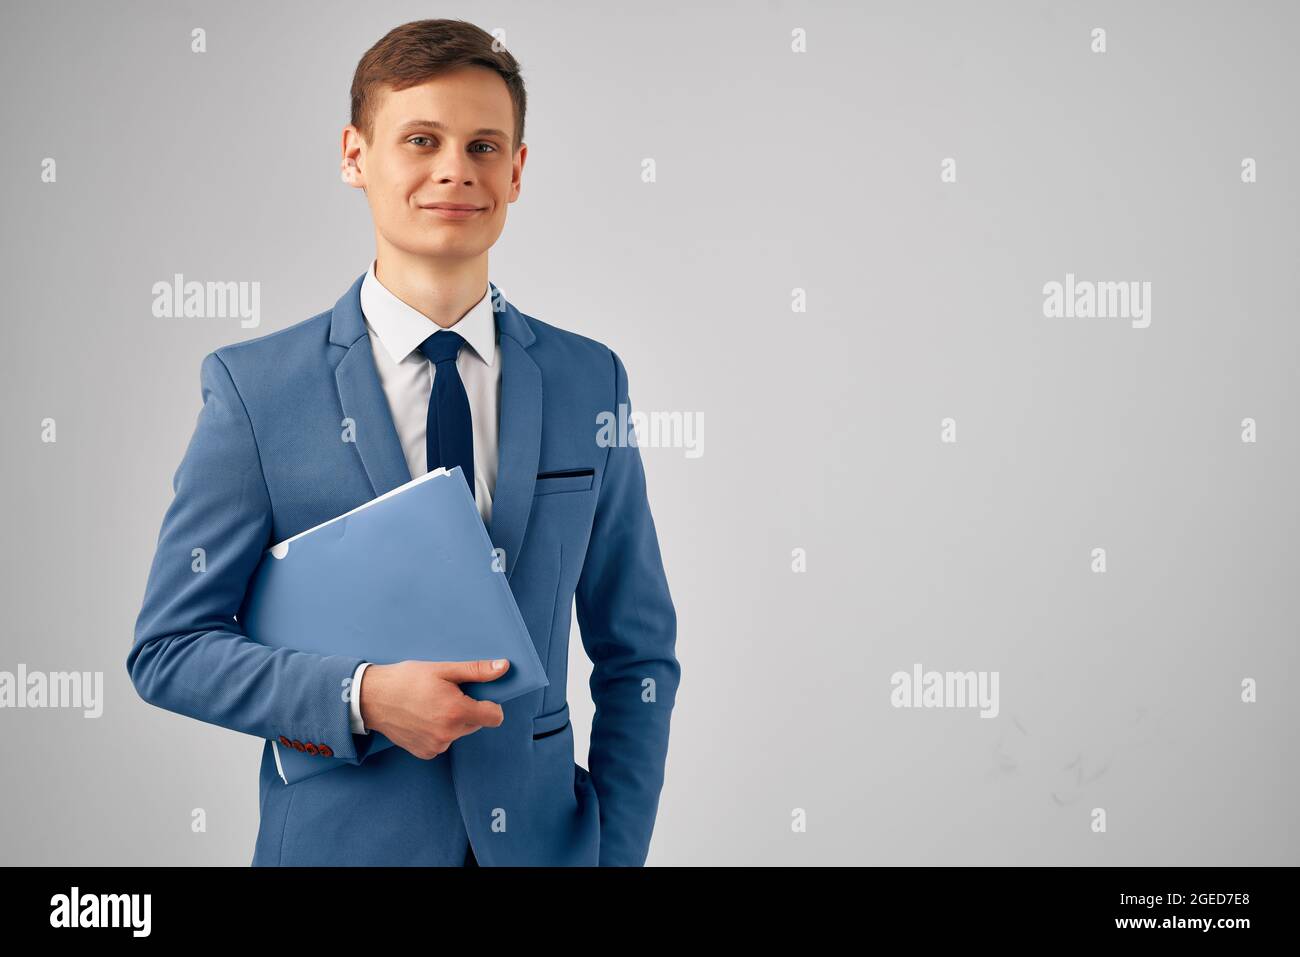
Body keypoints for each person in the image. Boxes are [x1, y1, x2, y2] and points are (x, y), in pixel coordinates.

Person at [127, 18, 680, 867]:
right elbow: (169, 649)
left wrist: (616, 857)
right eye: (421, 139)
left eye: (485, 145)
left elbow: (637, 653)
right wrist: (362, 696)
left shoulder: (588, 380)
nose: (456, 167)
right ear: (355, 156)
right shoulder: (257, 390)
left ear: (518, 170)